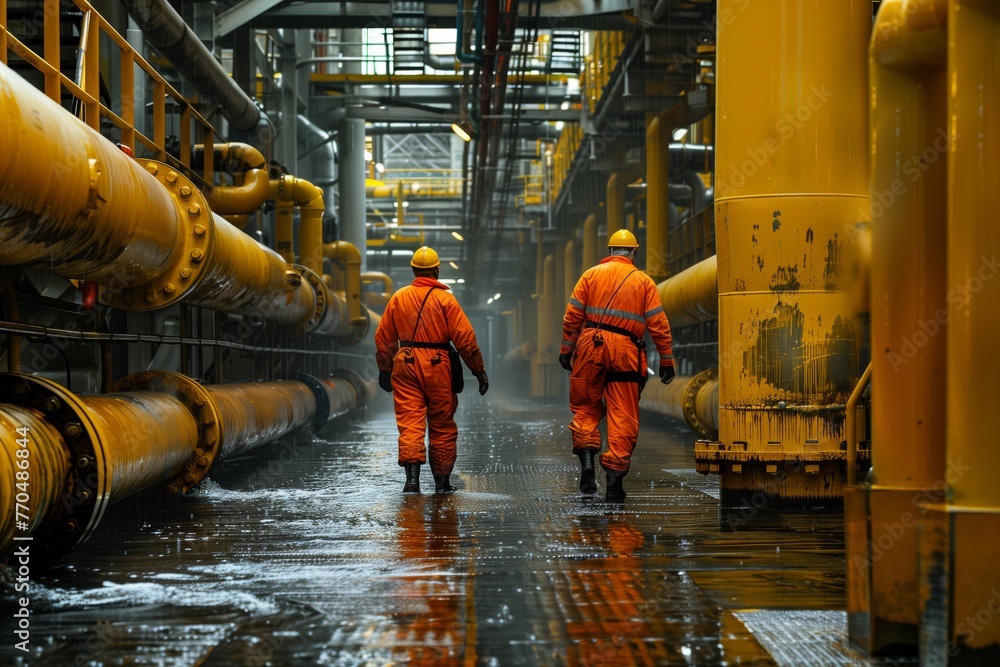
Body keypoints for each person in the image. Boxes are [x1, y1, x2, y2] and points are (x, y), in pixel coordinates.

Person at [558, 229, 675, 502]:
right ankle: (614, 480)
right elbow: (658, 323)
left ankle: (587, 455)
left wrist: (567, 350)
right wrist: (666, 358)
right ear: (634, 252)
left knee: (585, 408)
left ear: (610, 250)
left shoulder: (589, 275)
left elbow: (572, 316)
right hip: (625, 350)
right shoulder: (643, 281)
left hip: (590, 346)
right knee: (623, 413)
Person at [375, 246, 489, 494]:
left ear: (414, 270)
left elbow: (383, 337)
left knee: (410, 422)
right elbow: (465, 339)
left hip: (405, 363)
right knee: (442, 424)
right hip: (438, 364)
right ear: (437, 270)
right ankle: (442, 482)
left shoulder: (398, 297)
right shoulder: (446, 300)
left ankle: (412, 481)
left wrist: (385, 369)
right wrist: (478, 371)